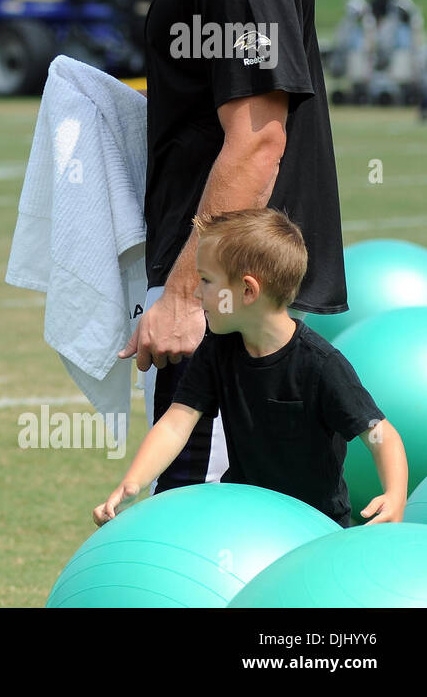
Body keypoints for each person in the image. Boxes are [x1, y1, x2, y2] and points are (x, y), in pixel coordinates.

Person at [80, 0, 348, 491]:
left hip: (231, 300)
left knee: (212, 528)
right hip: (224, 288)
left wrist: (187, 297)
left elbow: (259, 137)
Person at [94, 209, 407, 528]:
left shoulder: (320, 364)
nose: (197, 292)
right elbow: (177, 423)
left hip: (315, 527)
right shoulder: (216, 350)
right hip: (246, 522)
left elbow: (379, 432)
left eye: (206, 280)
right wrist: (133, 482)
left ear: (247, 291)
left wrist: (394, 494)